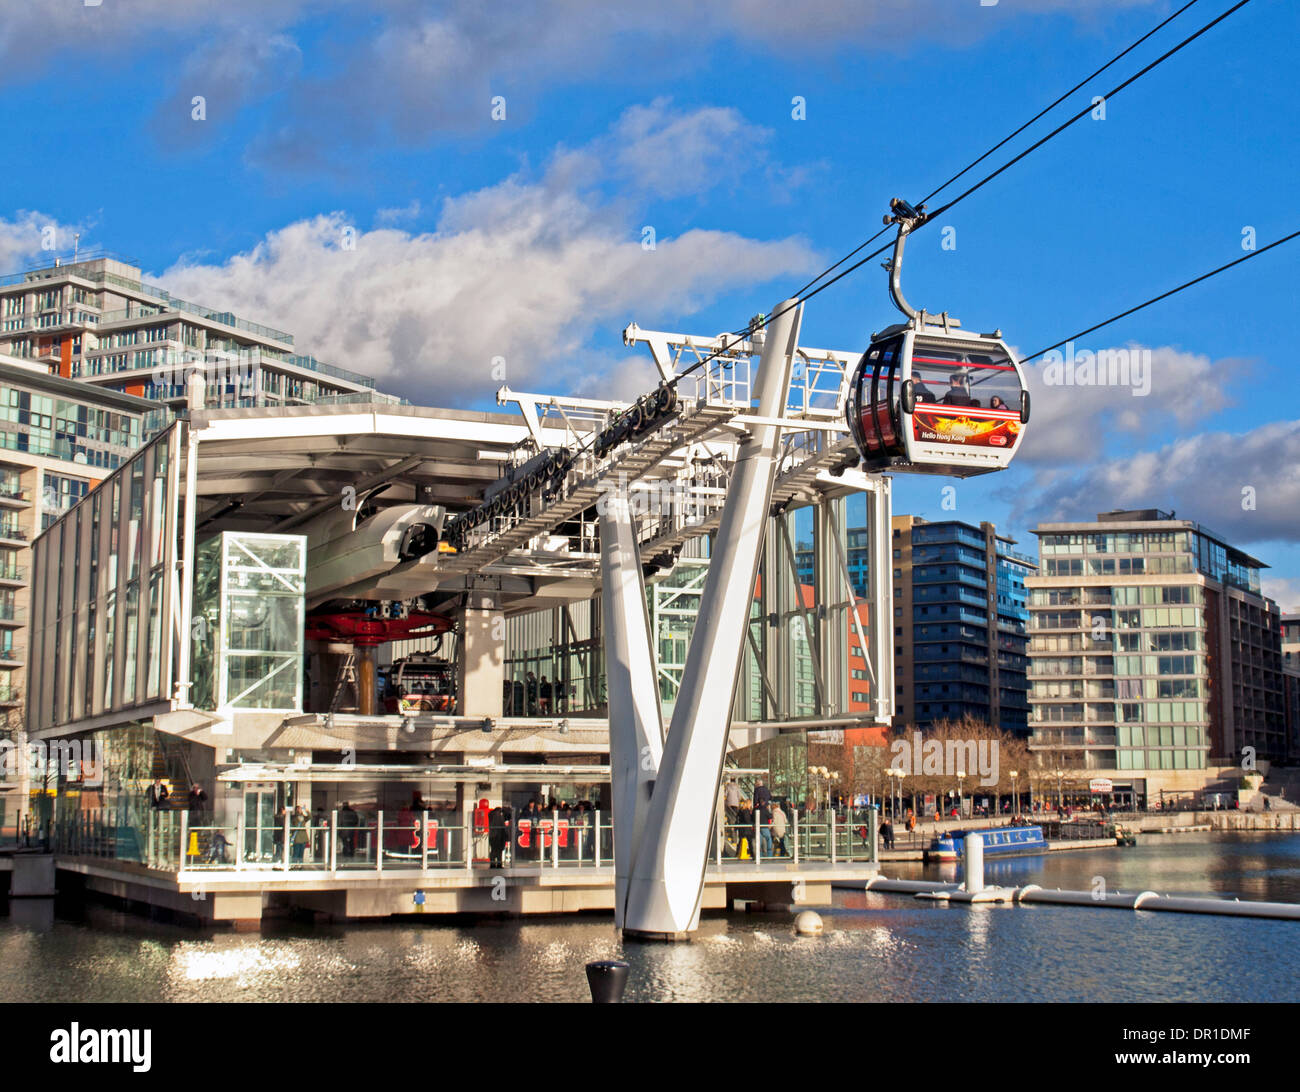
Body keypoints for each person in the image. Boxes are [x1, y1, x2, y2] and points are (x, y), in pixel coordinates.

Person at [488, 802, 512, 868]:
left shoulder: (493, 814)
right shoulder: (499, 816)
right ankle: (498, 864)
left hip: (493, 836)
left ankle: (493, 864)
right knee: (498, 851)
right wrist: (506, 836)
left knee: (493, 850)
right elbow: (502, 827)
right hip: (498, 836)